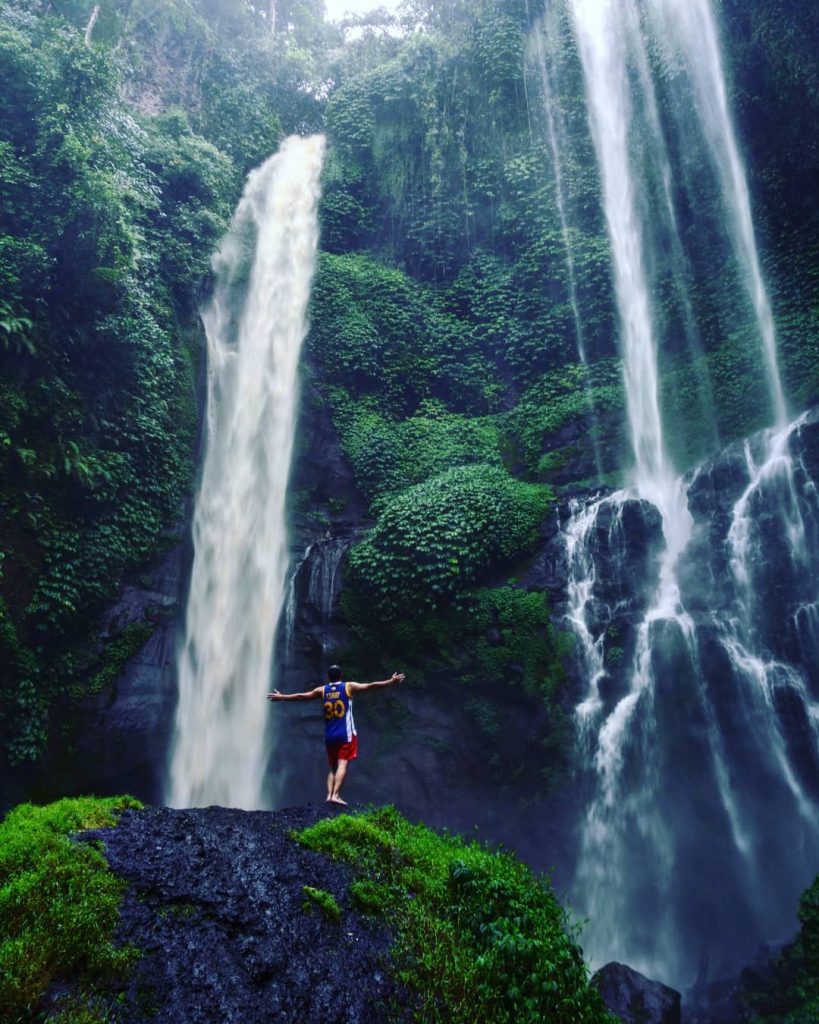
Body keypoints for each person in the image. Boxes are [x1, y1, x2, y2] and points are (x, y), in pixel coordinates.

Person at [267, 665, 405, 805]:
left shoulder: (322, 690)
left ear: (328, 677)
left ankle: (329, 795)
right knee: (342, 763)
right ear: (341, 675)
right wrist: (390, 682)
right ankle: (336, 795)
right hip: (345, 733)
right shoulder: (348, 687)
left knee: (332, 767)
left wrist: (282, 697)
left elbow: (301, 696)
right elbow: (370, 686)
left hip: (330, 735)